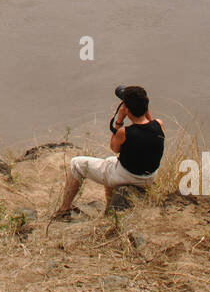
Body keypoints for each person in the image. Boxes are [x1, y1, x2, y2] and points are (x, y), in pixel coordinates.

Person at [53, 85, 164, 219]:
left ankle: (64, 209)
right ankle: (108, 209)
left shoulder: (125, 133)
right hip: (149, 177)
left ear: (127, 110)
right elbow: (149, 125)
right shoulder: (159, 124)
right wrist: (143, 109)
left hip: (127, 176)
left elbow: (114, 147)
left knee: (76, 164)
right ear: (146, 107)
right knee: (110, 162)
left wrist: (119, 121)